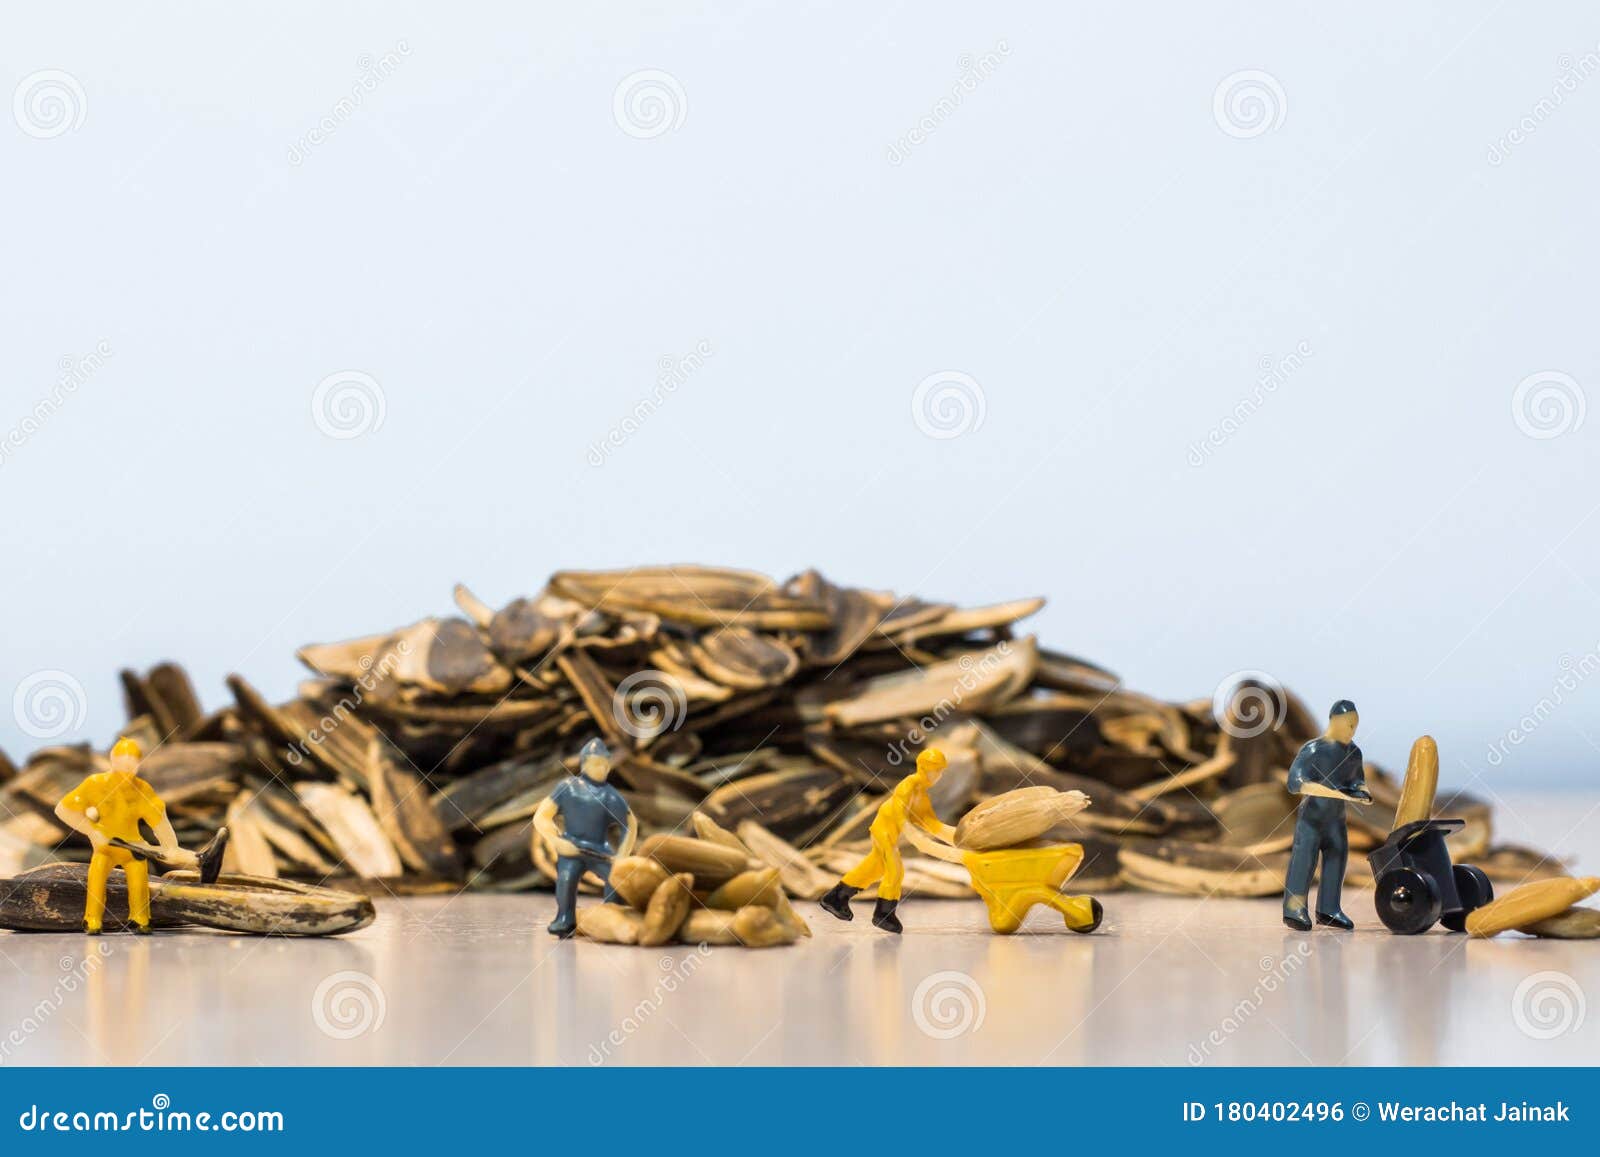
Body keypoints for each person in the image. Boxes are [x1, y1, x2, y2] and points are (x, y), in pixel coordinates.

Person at [818, 747, 956, 934]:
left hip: (889, 833)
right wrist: (913, 835)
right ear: (923, 767)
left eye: (941, 771)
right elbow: (899, 814)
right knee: (895, 870)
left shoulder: (921, 794)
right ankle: (884, 914)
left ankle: (836, 897)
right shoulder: (908, 785)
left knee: (874, 868)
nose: (939, 775)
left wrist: (958, 837)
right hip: (883, 832)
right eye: (936, 770)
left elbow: (930, 823)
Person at [54, 738, 183, 934]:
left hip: (134, 849)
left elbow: (159, 821)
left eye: (132, 760)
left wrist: (170, 847)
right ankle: (92, 920)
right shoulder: (94, 784)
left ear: (139, 763)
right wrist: (92, 831)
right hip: (105, 848)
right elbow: (63, 809)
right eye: (123, 759)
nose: (127, 765)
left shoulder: (143, 791)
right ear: (112, 760)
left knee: (139, 883)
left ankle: (140, 919)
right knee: (96, 880)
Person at [1282, 700, 1371, 931]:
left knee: (1337, 857)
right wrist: (1331, 791)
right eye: (1348, 725)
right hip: (1311, 819)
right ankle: (1294, 908)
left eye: (1355, 726)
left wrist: (1362, 792)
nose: (1352, 730)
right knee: (1305, 860)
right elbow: (1295, 782)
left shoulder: (1354, 753)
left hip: (1336, 820)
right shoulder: (1314, 749)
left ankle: (1329, 909)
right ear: (1333, 721)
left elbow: (1358, 780)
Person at [534, 738, 636, 938]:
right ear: (584, 764)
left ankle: (612, 915)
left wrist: (622, 855)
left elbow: (631, 824)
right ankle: (565, 918)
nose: (603, 768)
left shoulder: (610, 796)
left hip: (600, 850)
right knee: (565, 879)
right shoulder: (567, 788)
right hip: (570, 849)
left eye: (606, 763)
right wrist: (557, 842)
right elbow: (541, 817)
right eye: (598, 763)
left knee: (615, 878)